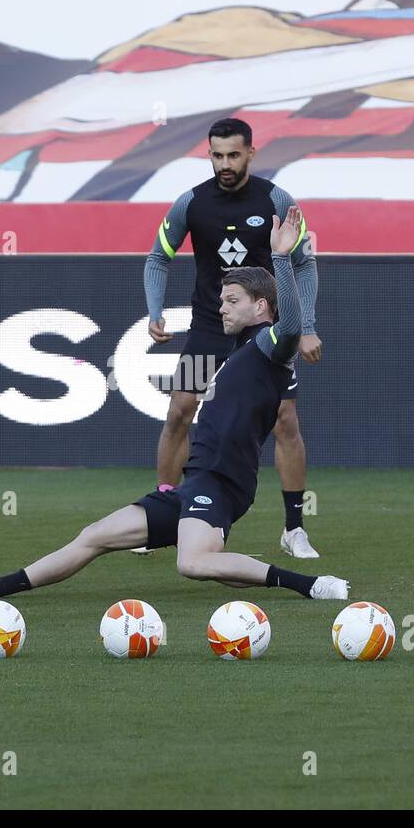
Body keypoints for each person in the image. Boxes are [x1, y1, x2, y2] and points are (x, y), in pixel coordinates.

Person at [0, 208, 348, 602]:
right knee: (96, 536)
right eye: (222, 300)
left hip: (221, 484)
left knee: (193, 562)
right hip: (194, 484)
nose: (221, 307)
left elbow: (293, 326)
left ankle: (313, 585)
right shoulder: (242, 349)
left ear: (261, 307)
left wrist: (281, 257)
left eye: (232, 300)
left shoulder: (268, 346)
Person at [143, 117, 324, 558]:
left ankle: (294, 528)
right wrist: (155, 312)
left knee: (285, 422)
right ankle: (164, 510)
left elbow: (303, 263)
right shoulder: (191, 203)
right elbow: (156, 259)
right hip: (210, 328)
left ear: (251, 153)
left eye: (233, 155)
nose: (224, 164)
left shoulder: (275, 199)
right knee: (178, 414)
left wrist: (306, 326)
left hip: (261, 334)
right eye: (217, 155)